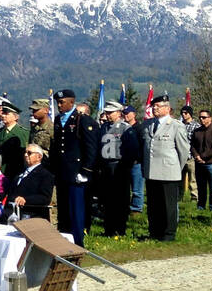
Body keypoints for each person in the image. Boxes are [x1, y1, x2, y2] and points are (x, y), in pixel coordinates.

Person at [49, 88, 98, 247]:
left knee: (76, 209)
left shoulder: (82, 120)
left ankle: (77, 242)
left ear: (72, 102)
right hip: (62, 172)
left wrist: (86, 171)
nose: (59, 105)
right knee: (63, 209)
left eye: (62, 102)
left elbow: (90, 148)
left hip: (77, 172)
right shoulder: (58, 120)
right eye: (58, 102)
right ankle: (64, 240)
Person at [142, 94, 191, 241]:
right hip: (151, 171)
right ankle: (154, 231)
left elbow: (183, 151)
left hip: (168, 172)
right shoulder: (148, 124)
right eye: (154, 106)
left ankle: (168, 233)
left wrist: (176, 168)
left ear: (167, 108)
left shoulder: (176, 125)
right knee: (153, 204)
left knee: (168, 205)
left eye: (158, 106)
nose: (155, 109)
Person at [95, 100, 136, 237]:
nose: (107, 114)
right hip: (105, 167)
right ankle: (109, 228)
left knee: (120, 200)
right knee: (107, 200)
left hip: (119, 167)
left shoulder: (125, 128)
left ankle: (120, 229)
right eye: (106, 112)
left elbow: (131, 149)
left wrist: (125, 167)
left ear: (118, 113)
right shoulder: (104, 127)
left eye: (110, 112)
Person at [6, 144, 54, 220]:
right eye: (25, 152)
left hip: (31, 215)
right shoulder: (19, 173)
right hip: (12, 214)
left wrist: (26, 199)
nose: (25, 155)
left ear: (39, 157)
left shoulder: (45, 175)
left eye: (29, 153)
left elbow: (45, 198)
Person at [191, 108, 212, 212]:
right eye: (200, 117)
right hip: (199, 163)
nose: (201, 119)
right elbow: (192, 146)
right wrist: (197, 156)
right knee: (201, 187)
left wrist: (203, 156)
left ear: (210, 118)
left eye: (204, 117)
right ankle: (201, 206)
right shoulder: (197, 131)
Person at [0, 100, 28, 180]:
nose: (3, 115)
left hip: (16, 173)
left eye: (7, 114)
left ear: (16, 117)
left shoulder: (23, 133)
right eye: (3, 113)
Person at [125, 108, 146, 213]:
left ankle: (136, 209)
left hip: (136, 163)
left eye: (128, 113)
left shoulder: (140, 128)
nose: (126, 116)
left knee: (137, 189)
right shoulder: (123, 128)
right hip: (125, 163)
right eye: (124, 114)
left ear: (134, 114)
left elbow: (143, 146)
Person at [179, 106, 200, 203]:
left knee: (193, 179)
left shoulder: (196, 126)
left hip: (191, 157)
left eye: (186, 113)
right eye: (182, 113)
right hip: (180, 156)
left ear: (190, 114)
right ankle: (179, 196)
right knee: (180, 179)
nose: (184, 114)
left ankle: (194, 197)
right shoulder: (179, 125)